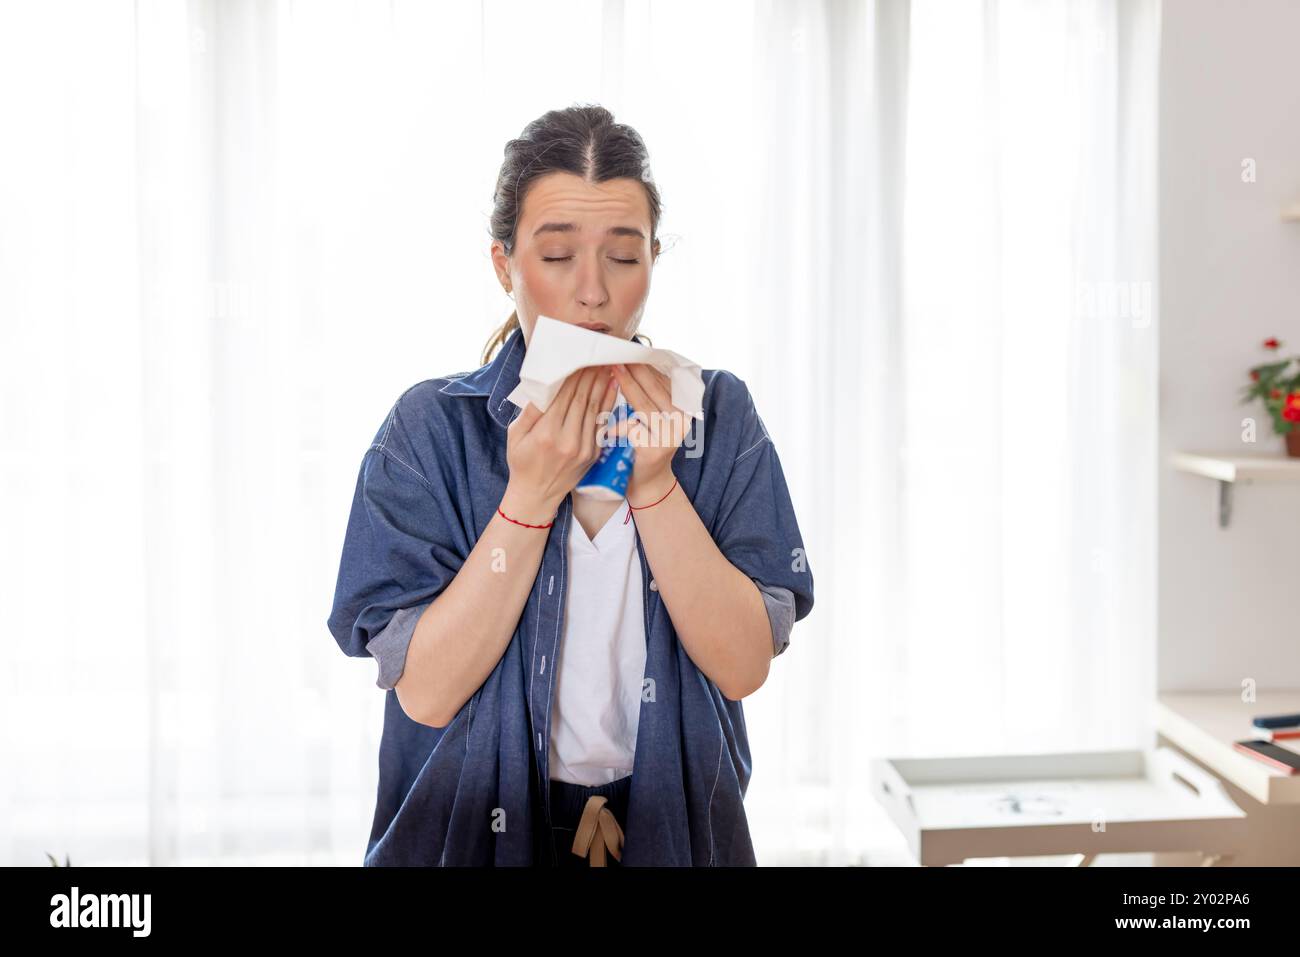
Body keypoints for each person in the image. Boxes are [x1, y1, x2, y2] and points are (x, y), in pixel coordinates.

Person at [326, 104, 814, 866]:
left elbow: (744, 662)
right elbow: (424, 692)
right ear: (504, 266)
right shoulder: (428, 432)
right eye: (556, 257)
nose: (593, 294)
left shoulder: (719, 416)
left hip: (670, 833)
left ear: (655, 258)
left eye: (624, 257)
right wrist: (527, 499)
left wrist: (654, 483)